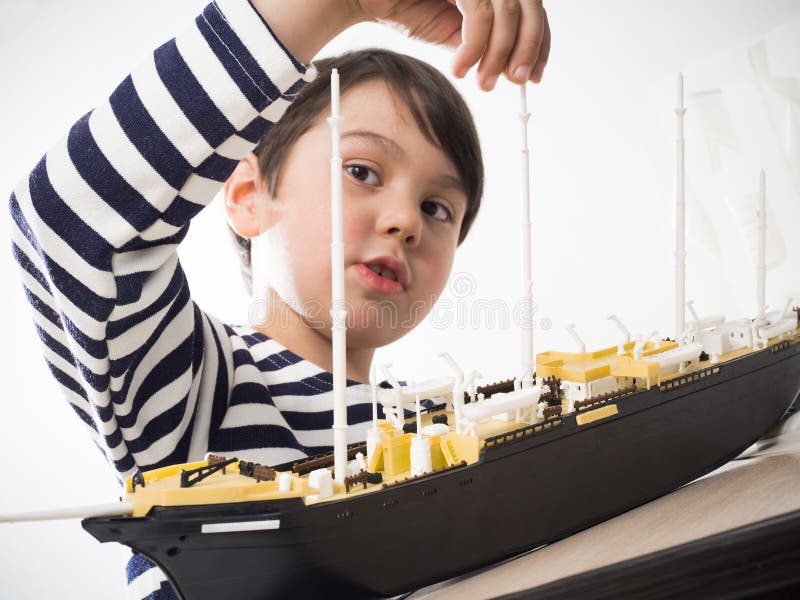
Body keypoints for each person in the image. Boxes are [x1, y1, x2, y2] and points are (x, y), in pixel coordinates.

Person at [8, 0, 550, 597]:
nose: (405, 221)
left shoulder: (450, 436)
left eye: (437, 208)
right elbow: (68, 216)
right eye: (363, 171)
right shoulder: (199, 385)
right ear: (246, 194)